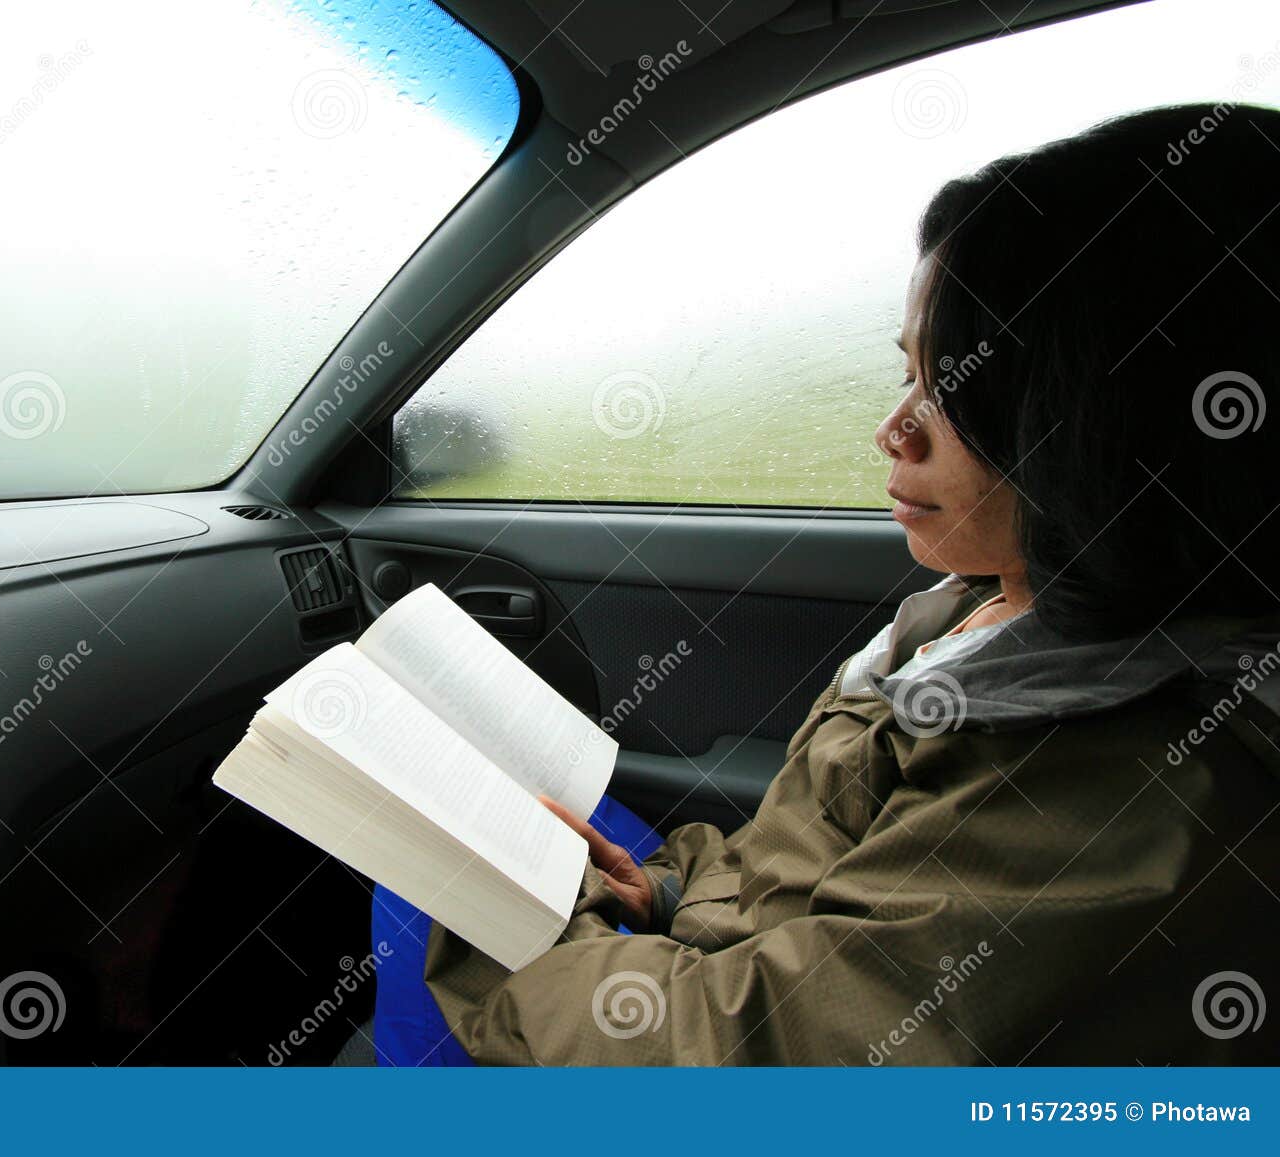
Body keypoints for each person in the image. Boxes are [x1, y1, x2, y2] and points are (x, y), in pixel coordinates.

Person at [376, 102, 1280, 1065]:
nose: (894, 431)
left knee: (417, 878)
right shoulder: (1003, 606)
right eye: (912, 374)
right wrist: (665, 895)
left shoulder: (1128, 790)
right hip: (727, 956)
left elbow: (763, 1060)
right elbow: (820, 883)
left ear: (1110, 426)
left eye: (958, 392)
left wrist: (557, 932)